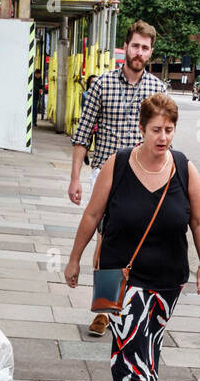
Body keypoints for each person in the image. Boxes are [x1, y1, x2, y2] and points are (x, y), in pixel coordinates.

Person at [64, 93, 200, 381]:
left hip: (168, 275)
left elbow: (199, 220)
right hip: (117, 272)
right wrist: (74, 260)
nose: (163, 138)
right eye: (156, 130)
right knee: (128, 337)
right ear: (141, 129)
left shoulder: (183, 167)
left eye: (169, 130)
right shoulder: (116, 165)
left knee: (150, 339)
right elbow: (92, 215)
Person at [69, 22, 165, 336]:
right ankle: (104, 309)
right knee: (106, 242)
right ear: (126, 48)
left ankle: (130, 306)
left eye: (145, 48)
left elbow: (165, 140)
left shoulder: (157, 90)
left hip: (144, 175)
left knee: (137, 244)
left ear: (151, 53)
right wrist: (75, 179)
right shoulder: (102, 85)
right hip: (106, 174)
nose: (140, 53)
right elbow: (82, 134)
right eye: (136, 46)